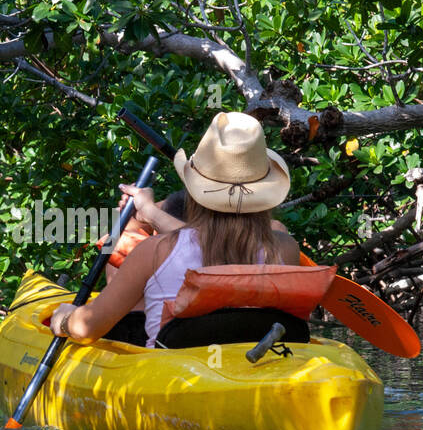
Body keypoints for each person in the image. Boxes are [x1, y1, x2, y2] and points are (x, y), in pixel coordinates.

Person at [50, 111, 301, 348]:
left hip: (172, 385)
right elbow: (222, 252)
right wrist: (150, 212)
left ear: (193, 191)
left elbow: (86, 328)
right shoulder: (285, 249)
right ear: (263, 195)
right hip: (249, 380)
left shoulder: (154, 253)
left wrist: (65, 318)